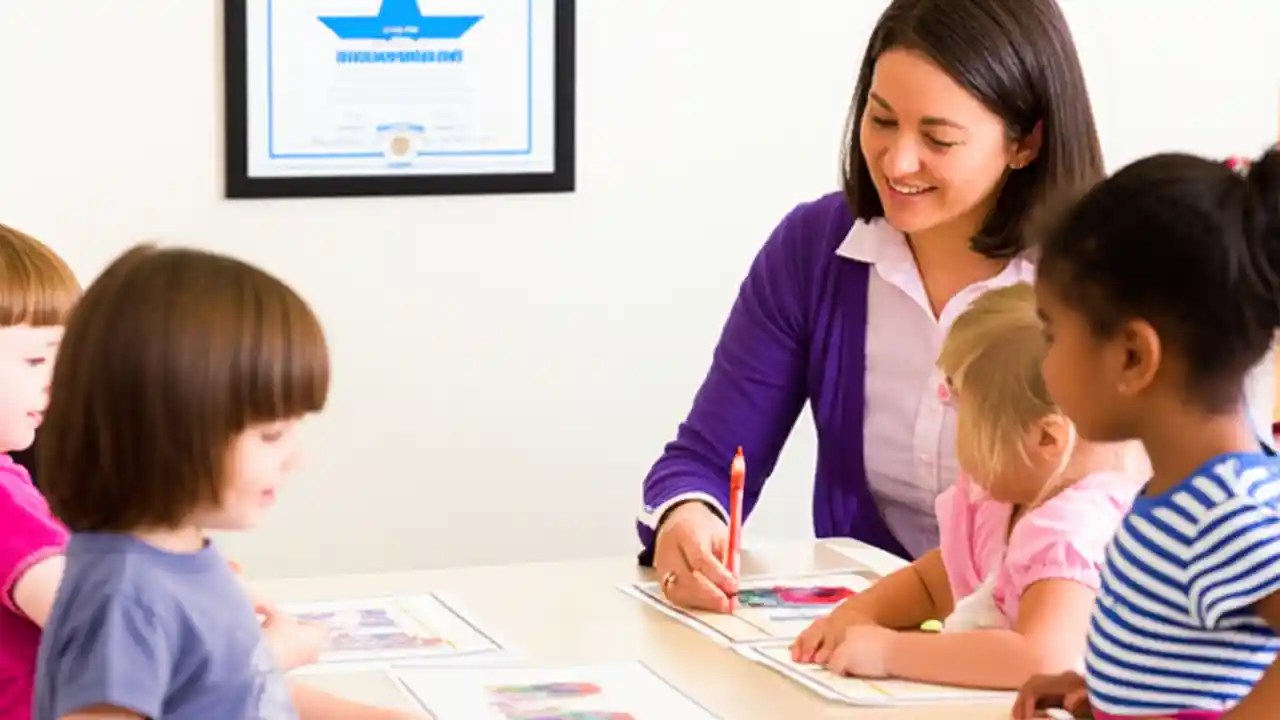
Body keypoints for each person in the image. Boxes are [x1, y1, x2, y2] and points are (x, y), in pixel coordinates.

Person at [637, 0, 1276, 614]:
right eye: (881, 120)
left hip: (1074, 648)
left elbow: (1226, 501)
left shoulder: (1107, 275)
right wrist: (688, 520)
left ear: (1025, 142)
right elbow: (705, 460)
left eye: (938, 138)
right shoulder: (814, 252)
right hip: (884, 643)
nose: (897, 159)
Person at [32, 245, 413, 719]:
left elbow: (236, 696)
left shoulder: (179, 557)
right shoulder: (127, 597)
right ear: (169, 429)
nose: (296, 458)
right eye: (271, 435)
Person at [1013, 148, 1280, 719]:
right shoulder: (1184, 493)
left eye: (1052, 333)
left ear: (1132, 355)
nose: (1046, 363)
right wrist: (1099, 698)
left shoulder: (1228, 509)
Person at [787, 283, 1137, 689]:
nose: (954, 434)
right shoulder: (998, 500)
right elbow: (931, 584)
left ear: (1046, 439)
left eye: (965, 415)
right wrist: (855, 614)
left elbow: (1040, 658)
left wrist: (890, 652)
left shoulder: (1074, 533)